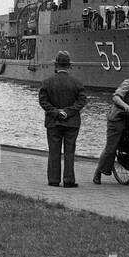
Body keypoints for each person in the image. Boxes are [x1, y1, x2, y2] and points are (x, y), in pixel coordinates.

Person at [39, 51, 87, 187]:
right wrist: (67, 112)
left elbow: (43, 101)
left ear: (56, 64)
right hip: (71, 123)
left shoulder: (47, 83)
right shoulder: (77, 83)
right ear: (69, 66)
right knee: (69, 152)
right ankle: (68, 180)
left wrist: (56, 112)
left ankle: (54, 180)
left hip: (53, 122)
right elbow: (81, 101)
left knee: (54, 151)